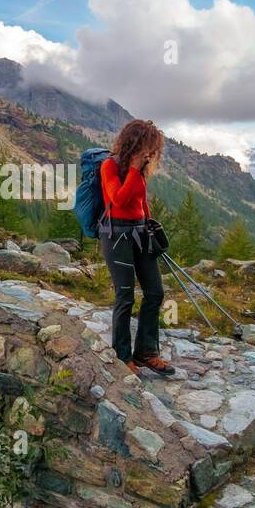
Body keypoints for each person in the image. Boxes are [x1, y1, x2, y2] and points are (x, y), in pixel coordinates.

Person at [99, 119, 174, 377]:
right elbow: (118, 200)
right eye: (148, 146)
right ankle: (122, 355)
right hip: (116, 236)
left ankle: (147, 352)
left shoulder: (139, 171)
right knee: (125, 296)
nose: (150, 153)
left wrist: (150, 227)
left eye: (153, 149)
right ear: (135, 142)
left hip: (141, 234)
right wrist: (133, 168)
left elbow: (141, 202)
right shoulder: (110, 165)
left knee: (155, 292)